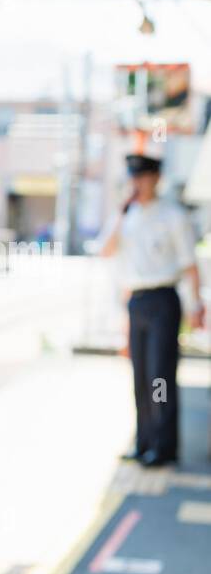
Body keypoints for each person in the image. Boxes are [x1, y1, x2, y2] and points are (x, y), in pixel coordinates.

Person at [101, 153, 207, 468]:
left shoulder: (172, 216)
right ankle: (144, 439)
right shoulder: (127, 215)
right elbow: (105, 250)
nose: (137, 184)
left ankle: (164, 444)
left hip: (163, 299)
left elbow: (190, 265)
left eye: (142, 178)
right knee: (141, 376)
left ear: (156, 179)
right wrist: (121, 213)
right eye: (133, 178)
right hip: (137, 300)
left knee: (160, 376)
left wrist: (196, 305)